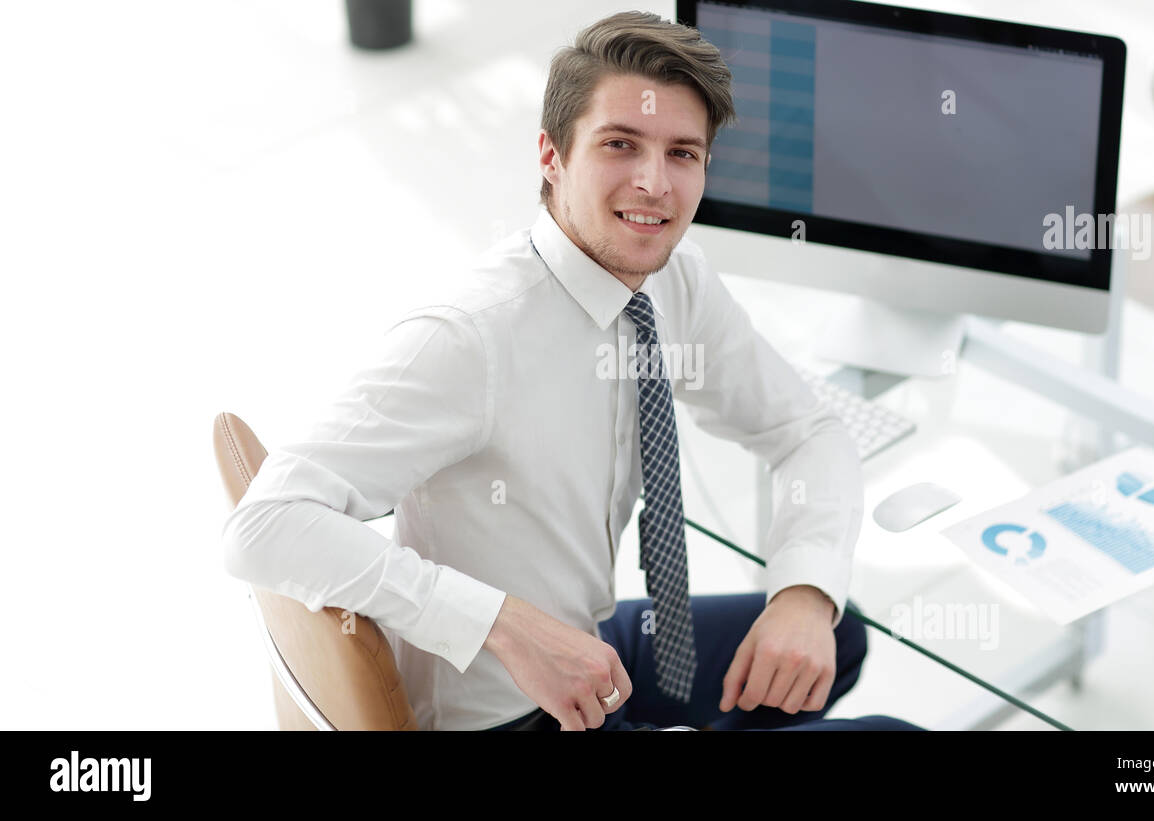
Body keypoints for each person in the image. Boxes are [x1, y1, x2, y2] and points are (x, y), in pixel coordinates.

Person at [223, 10, 921, 732]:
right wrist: (502, 624)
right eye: (621, 145)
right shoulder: (471, 337)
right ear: (551, 155)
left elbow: (807, 429)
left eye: (683, 154)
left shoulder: (673, 280)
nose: (654, 183)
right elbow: (263, 526)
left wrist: (803, 593)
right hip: (506, 714)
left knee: (834, 631)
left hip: (589, 643)